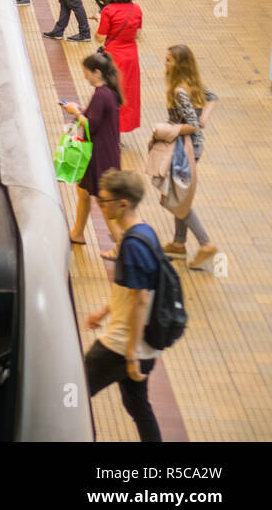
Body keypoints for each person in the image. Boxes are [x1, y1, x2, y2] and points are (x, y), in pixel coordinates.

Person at [82, 169, 162, 443]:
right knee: (138, 407)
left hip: (120, 346)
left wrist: (130, 356)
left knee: (71, 395)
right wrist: (103, 312)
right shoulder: (145, 232)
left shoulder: (133, 244)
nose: (100, 206)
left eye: (104, 201)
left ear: (123, 203)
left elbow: (141, 298)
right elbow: (127, 290)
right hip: (142, 348)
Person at [162, 45, 219, 270]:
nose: (164, 63)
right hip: (193, 149)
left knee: (178, 198)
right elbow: (212, 97)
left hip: (183, 150)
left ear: (179, 64)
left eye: (168, 60)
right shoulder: (191, 84)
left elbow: (192, 126)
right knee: (180, 194)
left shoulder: (179, 91)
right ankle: (178, 242)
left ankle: (205, 243)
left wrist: (167, 130)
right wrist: (204, 115)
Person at [63, 51, 123, 251]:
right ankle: (78, 233)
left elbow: (91, 126)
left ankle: (121, 245)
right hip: (103, 151)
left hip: (99, 154)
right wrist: (79, 110)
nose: (84, 76)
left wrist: (75, 112)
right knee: (83, 192)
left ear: (97, 73)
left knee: (103, 199)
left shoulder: (101, 95)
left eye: (86, 72)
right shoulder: (109, 92)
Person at [97, 0, 142, 134]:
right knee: (128, 92)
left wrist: (98, 20)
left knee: (111, 92)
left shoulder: (108, 11)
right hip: (131, 56)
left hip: (113, 56)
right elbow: (137, 35)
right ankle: (123, 126)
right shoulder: (136, 9)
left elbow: (100, 38)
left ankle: (110, 128)